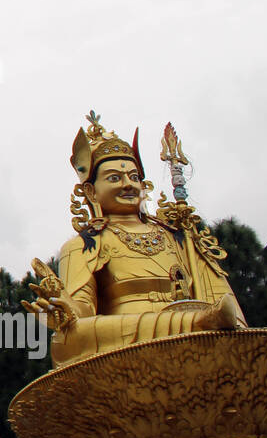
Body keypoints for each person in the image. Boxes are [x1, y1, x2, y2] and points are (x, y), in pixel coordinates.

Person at [25, 112, 244, 368]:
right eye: (114, 178)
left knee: (227, 321)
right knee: (69, 338)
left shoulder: (178, 237)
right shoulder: (84, 244)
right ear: (91, 191)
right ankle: (196, 325)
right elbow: (83, 313)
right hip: (127, 341)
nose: (128, 184)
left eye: (134, 177)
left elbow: (224, 302)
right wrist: (66, 306)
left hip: (199, 319)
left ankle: (205, 325)